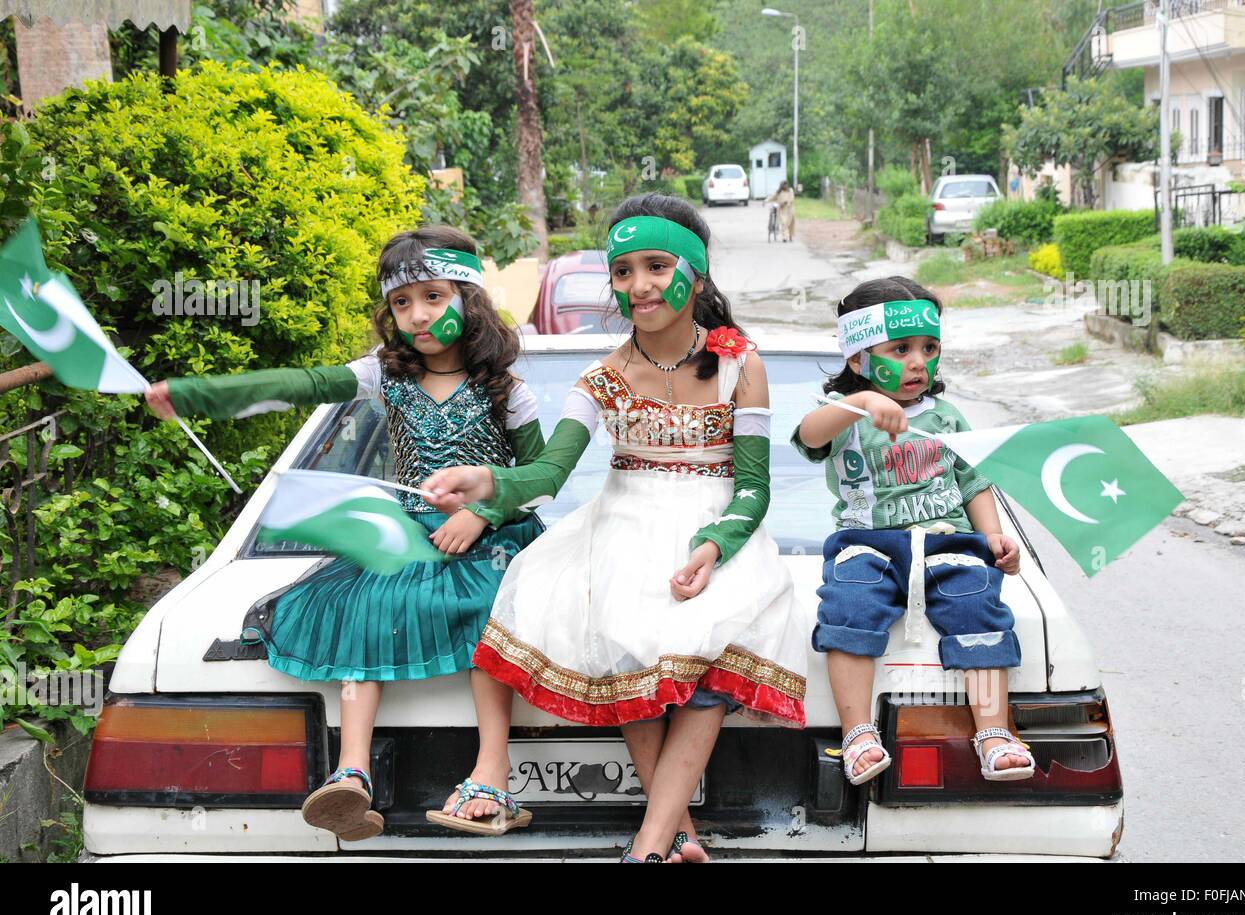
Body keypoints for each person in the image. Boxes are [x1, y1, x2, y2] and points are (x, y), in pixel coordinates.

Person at [421, 194, 810, 862]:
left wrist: (716, 545)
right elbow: (546, 472)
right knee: (616, 630)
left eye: (656, 265)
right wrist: (486, 481)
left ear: (695, 271)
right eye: (623, 270)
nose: (638, 285)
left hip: (719, 530)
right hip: (620, 523)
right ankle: (671, 835)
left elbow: (754, 486)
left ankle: (649, 845)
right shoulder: (600, 377)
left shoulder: (744, 364)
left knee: (725, 631)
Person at [143, 224, 545, 839]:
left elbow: (540, 481)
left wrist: (481, 513)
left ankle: (491, 769)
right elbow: (298, 384)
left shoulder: (508, 390)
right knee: (361, 604)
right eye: (402, 303)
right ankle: (351, 775)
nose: (416, 315)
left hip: (496, 537)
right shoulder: (382, 376)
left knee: (493, 613)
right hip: (412, 536)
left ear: (470, 298)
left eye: (434, 297)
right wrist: (198, 393)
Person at [792, 276, 1036, 787]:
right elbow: (807, 437)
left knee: (978, 608)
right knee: (848, 608)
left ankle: (993, 734)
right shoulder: (843, 417)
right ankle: (858, 733)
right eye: (899, 349)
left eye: (929, 348)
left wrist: (993, 537)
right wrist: (859, 403)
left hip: (948, 540)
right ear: (858, 358)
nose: (918, 362)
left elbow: (973, 481)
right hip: (867, 542)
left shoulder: (946, 417)